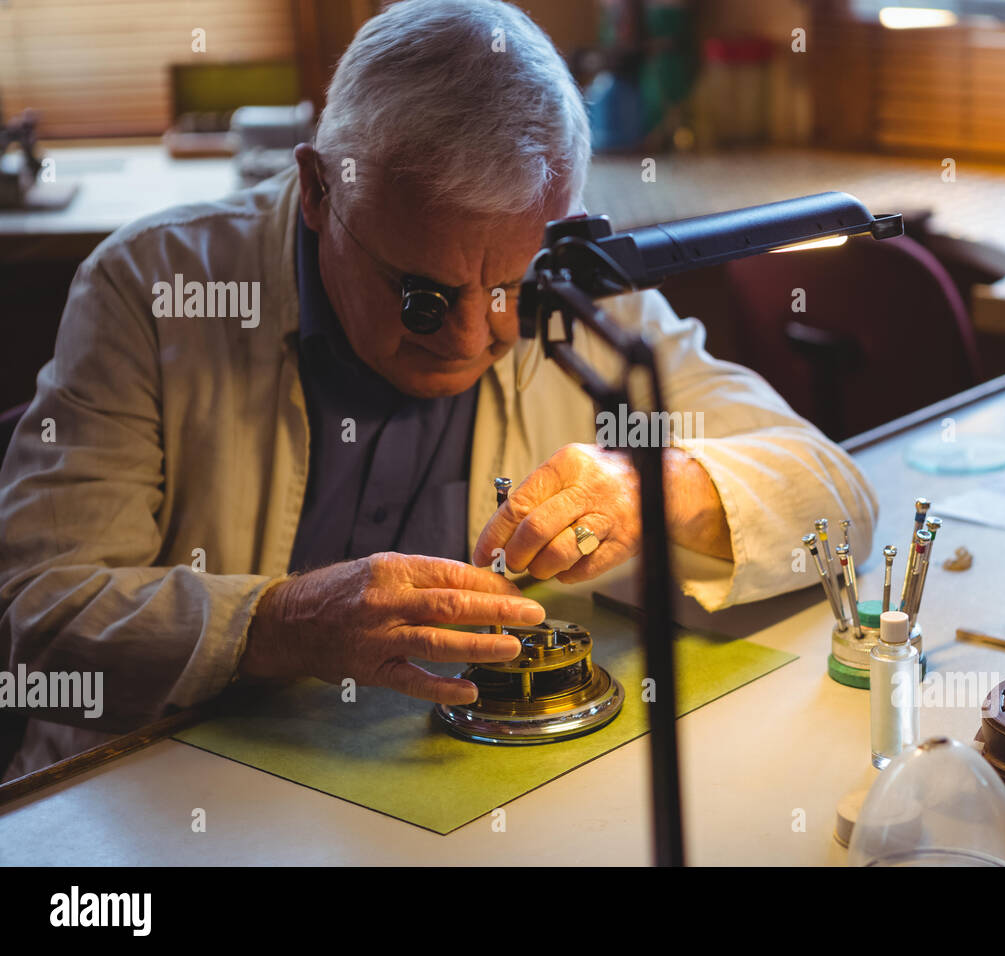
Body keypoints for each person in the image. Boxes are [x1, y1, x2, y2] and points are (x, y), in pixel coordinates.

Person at [0, 0, 875, 781]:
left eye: (515, 293)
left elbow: (837, 492)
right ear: (316, 191)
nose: (471, 337)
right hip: (149, 795)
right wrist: (278, 622)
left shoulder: (585, 287)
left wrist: (661, 483)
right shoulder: (155, 289)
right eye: (420, 295)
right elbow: (35, 616)